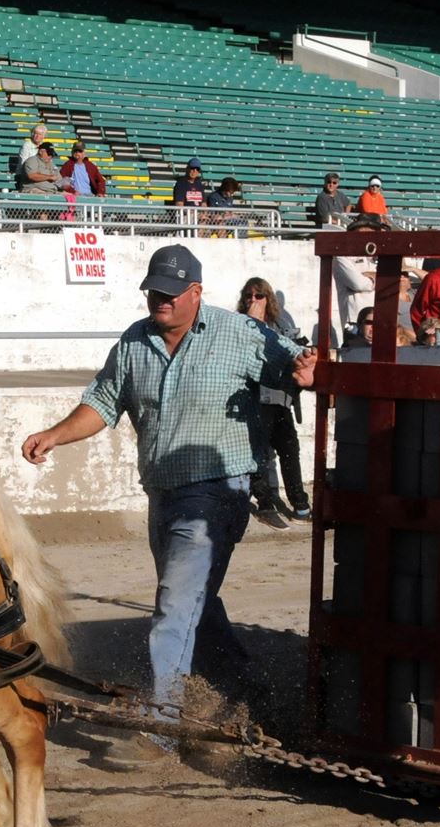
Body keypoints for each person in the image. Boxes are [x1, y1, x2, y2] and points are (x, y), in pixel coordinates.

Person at [23, 245, 317, 728]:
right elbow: (102, 402)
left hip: (216, 494)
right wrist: (54, 435)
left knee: (175, 606)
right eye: (155, 291)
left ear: (196, 292)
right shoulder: (135, 341)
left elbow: (296, 365)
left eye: (171, 293)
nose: (161, 300)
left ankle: (164, 723)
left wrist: (306, 373)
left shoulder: (239, 332)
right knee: (196, 604)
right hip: (161, 495)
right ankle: (247, 690)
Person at [239, 277, 310, 526]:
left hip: (279, 397)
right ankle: (266, 502)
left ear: (268, 298)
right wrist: (252, 322)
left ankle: (300, 503)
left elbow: (293, 349)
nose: (253, 300)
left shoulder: (281, 322)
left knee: (290, 450)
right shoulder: (238, 323)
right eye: (249, 295)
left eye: (259, 296)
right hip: (255, 398)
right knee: (260, 454)